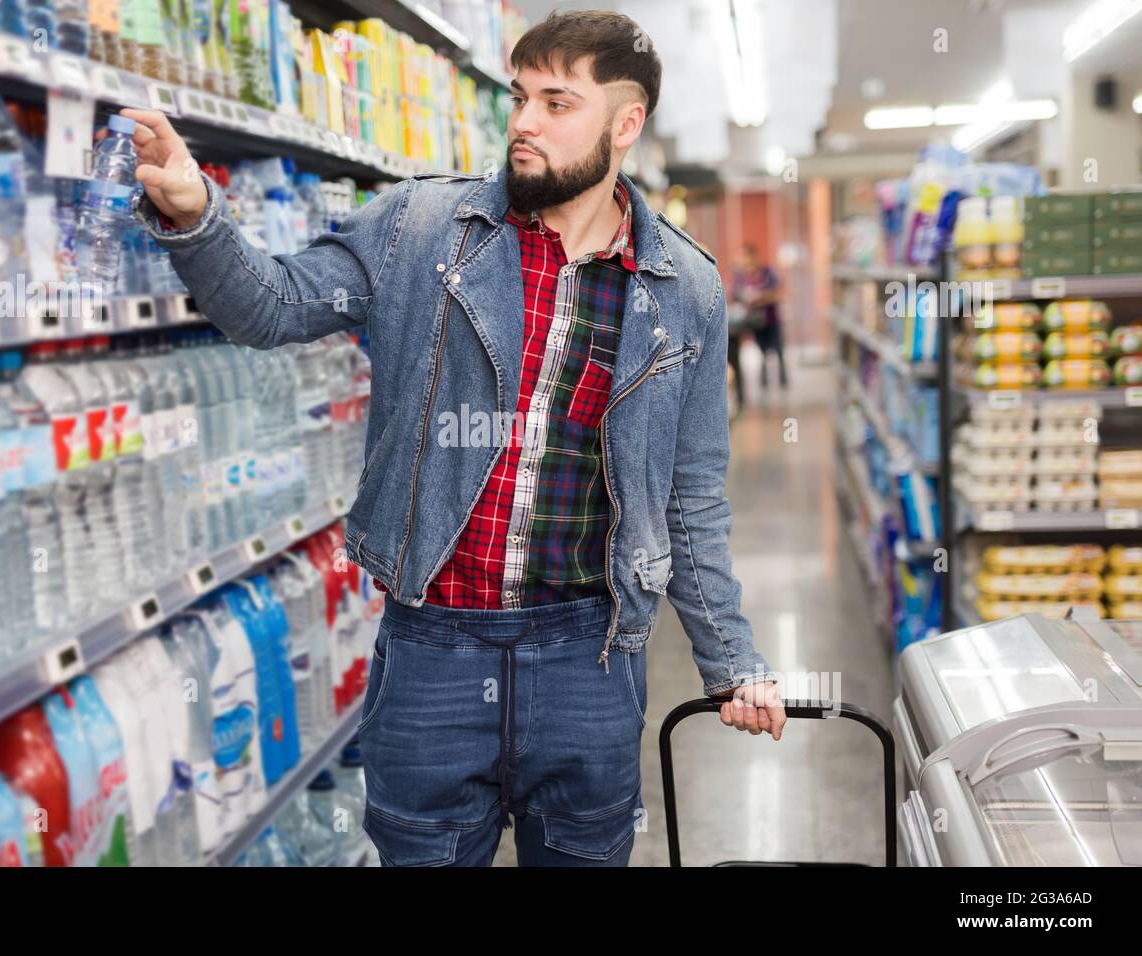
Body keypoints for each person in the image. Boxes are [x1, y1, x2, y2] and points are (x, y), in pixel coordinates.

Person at [122, 8, 783, 868]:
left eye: (556, 102)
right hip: (435, 649)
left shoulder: (684, 286)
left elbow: (689, 498)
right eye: (519, 98)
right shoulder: (421, 228)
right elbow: (270, 305)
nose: (525, 123)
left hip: (591, 656)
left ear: (626, 126)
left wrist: (731, 661)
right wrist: (197, 212)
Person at [734, 243, 788, 389]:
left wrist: (760, 298)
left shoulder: (767, 272)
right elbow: (734, 294)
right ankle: (764, 383)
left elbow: (778, 293)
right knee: (762, 351)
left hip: (772, 319)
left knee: (778, 350)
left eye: (746, 256)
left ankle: (783, 382)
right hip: (756, 322)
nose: (744, 260)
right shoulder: (741, 276)